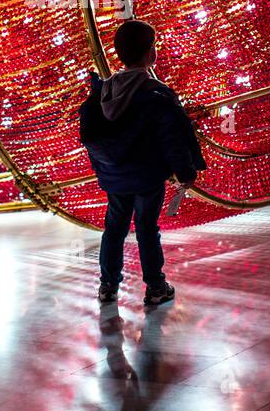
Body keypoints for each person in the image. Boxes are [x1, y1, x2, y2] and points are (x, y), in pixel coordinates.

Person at [79, 19, 205, 306]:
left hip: (115, 177)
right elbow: (172, 138)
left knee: (114, 228)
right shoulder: (156, 94)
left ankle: (108, 285)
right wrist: (185, 171)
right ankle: (155, 287)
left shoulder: (104, 91)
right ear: (152, 53)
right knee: (147, 227)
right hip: (147, 177)